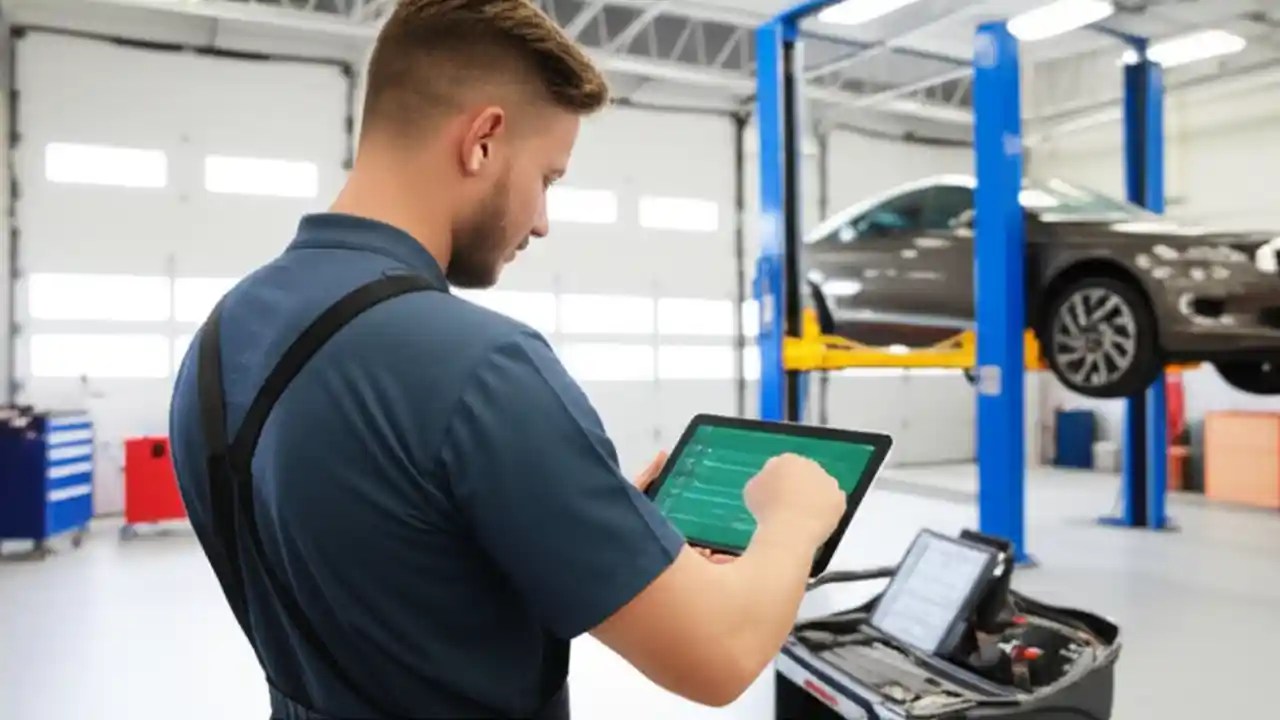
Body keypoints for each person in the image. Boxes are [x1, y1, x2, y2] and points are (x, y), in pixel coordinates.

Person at [168, 0, 849, 718]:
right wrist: (793, 520)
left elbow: (393, 569)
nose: (543, 221)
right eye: (549, 178)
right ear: (484, 141)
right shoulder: (482, 365)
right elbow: (720, 655)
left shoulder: (224, 334)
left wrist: (599, 521)